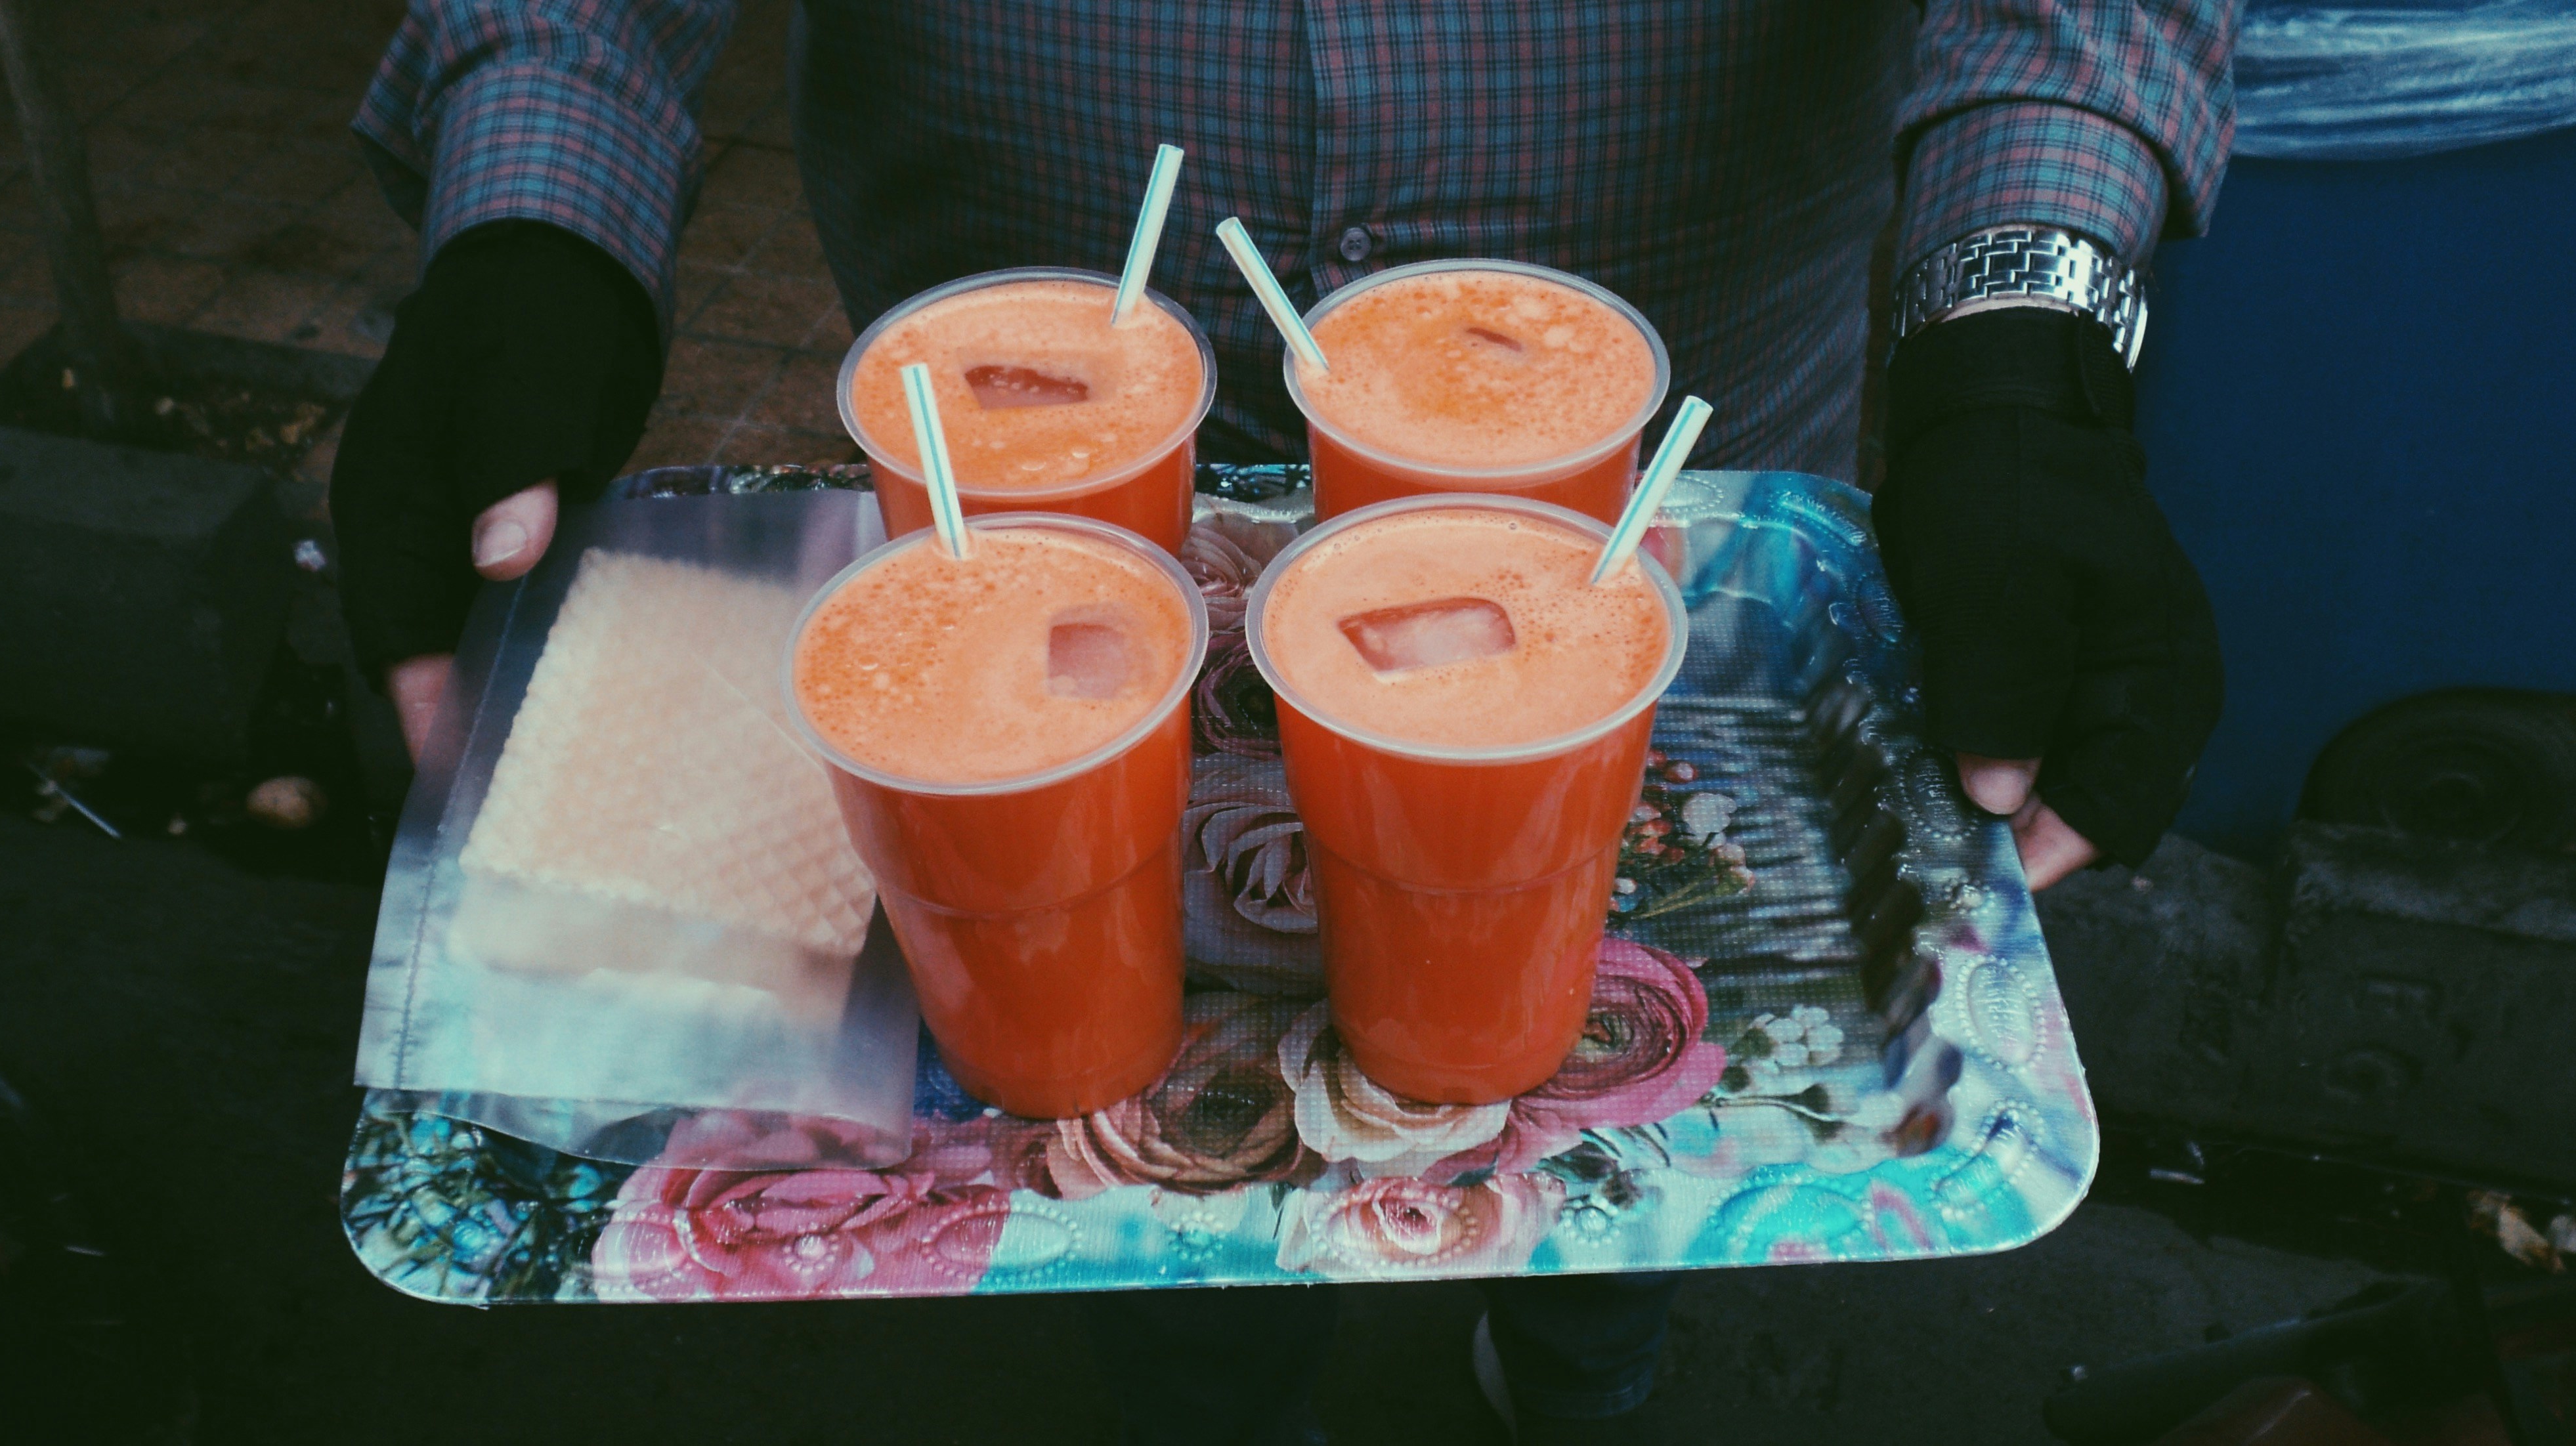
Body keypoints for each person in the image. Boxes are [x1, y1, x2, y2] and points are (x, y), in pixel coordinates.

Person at [330, 2, 2231, 1440]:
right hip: (1008, 339)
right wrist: (534, 223)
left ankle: (1579, 1367)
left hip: (1686, 405)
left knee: (1614, 1027)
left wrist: (2024, 338)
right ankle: (1208, 1371)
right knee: (1126, 1037)